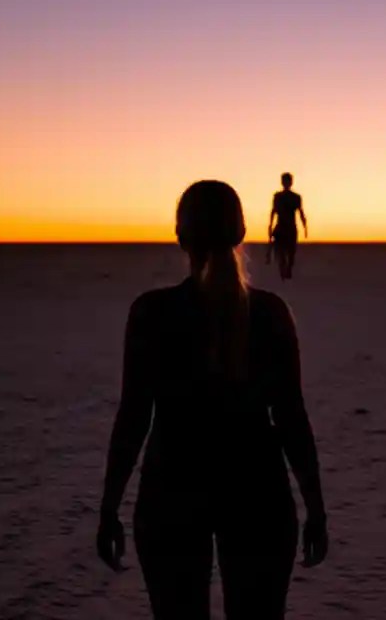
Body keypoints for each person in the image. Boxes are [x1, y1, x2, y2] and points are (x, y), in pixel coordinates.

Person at [97, 179, 328, 619]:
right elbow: (292, 419)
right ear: (241, 234)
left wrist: (109, 506)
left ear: (180, 236)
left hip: (171, 494)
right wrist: (315, 506)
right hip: (259, 495)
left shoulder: (151, 313)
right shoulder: (270, 314)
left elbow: (133, 418)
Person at [268, 173, 307, 280]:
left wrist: (305, 225)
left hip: (289, 227)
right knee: (282, 252)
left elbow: (300, 212)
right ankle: (284, 272)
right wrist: (270, 225)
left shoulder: (295, 197)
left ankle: (287, 270)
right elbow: (274, 211)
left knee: (290, 252)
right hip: (282, 227)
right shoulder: (279, 196)